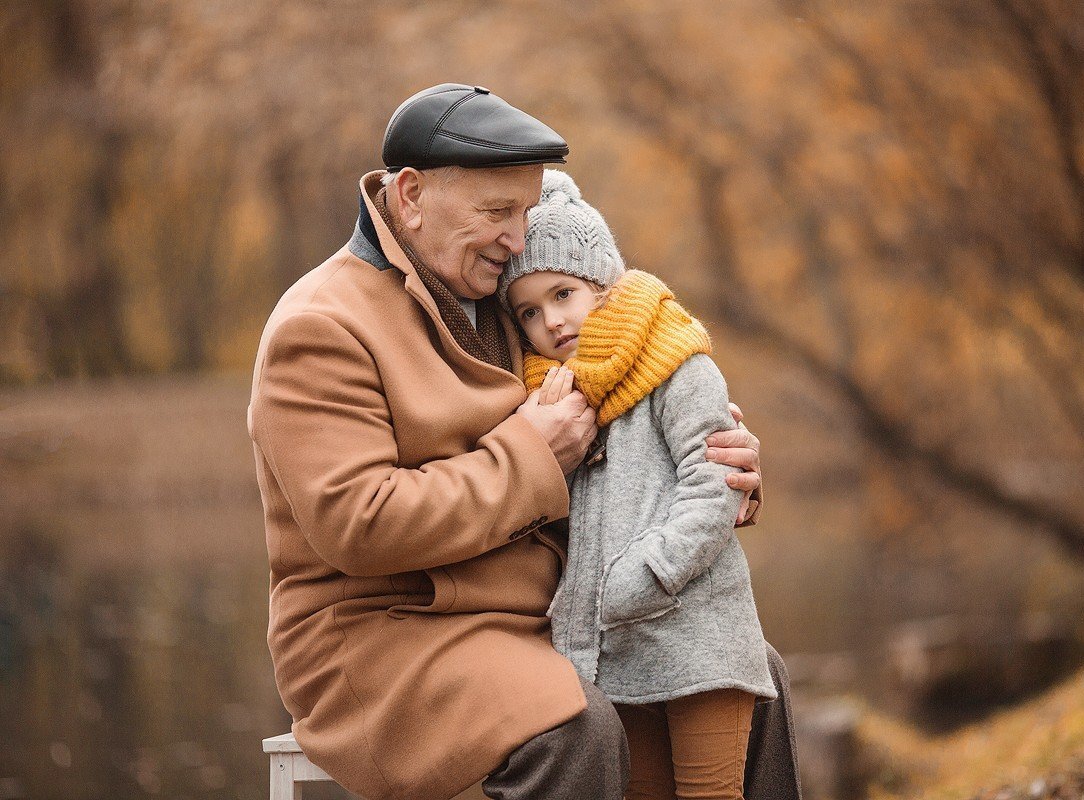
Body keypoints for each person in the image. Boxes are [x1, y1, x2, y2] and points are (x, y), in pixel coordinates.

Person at [247, 83, 800, 800]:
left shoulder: (518, 302)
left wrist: (717, 472)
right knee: (575, 725)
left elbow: (637, 416)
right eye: (498, 212)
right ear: (411, 196)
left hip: (544, 616)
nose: (518, 237)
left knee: (751, 671)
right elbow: (360, 522)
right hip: (387, 638)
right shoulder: (320, 327)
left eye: (528, 212)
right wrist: (532, 456)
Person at [500, 169, 777, 799]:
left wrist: (643, 575)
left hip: (698, 632)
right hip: (617, 649)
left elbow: (715, 483)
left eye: (564, 294)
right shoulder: (554, 401)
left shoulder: (675, 361)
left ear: (602, 283)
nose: (553, 321)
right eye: (530, 311)